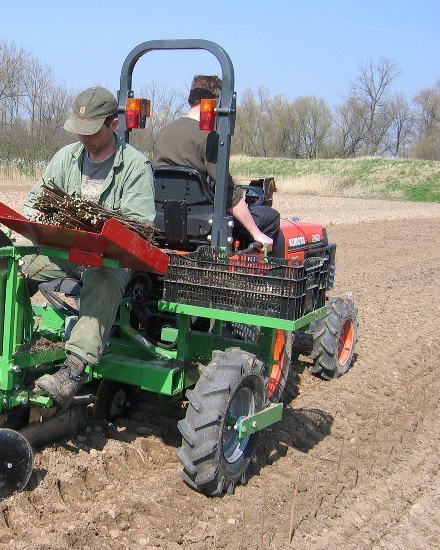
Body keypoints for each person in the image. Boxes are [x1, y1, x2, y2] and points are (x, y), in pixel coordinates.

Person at [23, 86, 156, 408]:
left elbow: (139, 225)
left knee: (103, 280)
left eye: (91, 131)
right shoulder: (65, 158)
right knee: (16, 271)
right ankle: (13, 344)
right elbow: (33, 202)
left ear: (113, 124)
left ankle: (72, 370)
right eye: (79, 131)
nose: (84, 138)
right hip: (66, 254)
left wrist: (99, 233)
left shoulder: (135, 167)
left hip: (109, 260)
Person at [154, 75, 280, 250]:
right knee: (270, 216)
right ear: (216, 102)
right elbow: (227, 191)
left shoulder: (163, 132)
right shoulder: (210, 136)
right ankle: (259, 274)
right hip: (205, 224)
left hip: (166, 221)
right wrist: (256, 233)